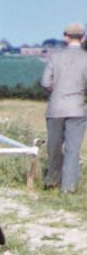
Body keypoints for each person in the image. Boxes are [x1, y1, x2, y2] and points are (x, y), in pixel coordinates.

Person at [41, 22, 87, 193]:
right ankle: (68, 187)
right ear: (83, 38)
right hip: (78, 108)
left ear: (65, 37)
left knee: (54, 146)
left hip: (56, 108)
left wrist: (57, 90)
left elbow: (45, 82)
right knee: (72, 150)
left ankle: (52, 180)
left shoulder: (54, 57)